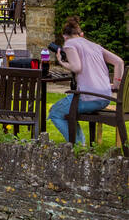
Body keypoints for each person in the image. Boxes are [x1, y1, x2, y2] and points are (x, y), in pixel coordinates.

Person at [48, 16, 124, 144]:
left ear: (65, 36)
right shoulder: (94, 45)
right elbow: (119, 62)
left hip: (89, 97)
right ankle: (80, 143)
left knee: (55, 112)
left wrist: (61, 62)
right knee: (67, 111)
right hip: (105, 97)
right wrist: (115, 85)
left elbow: (77, 67)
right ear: (80, 34)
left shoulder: (69, 44)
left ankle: (78, 146)